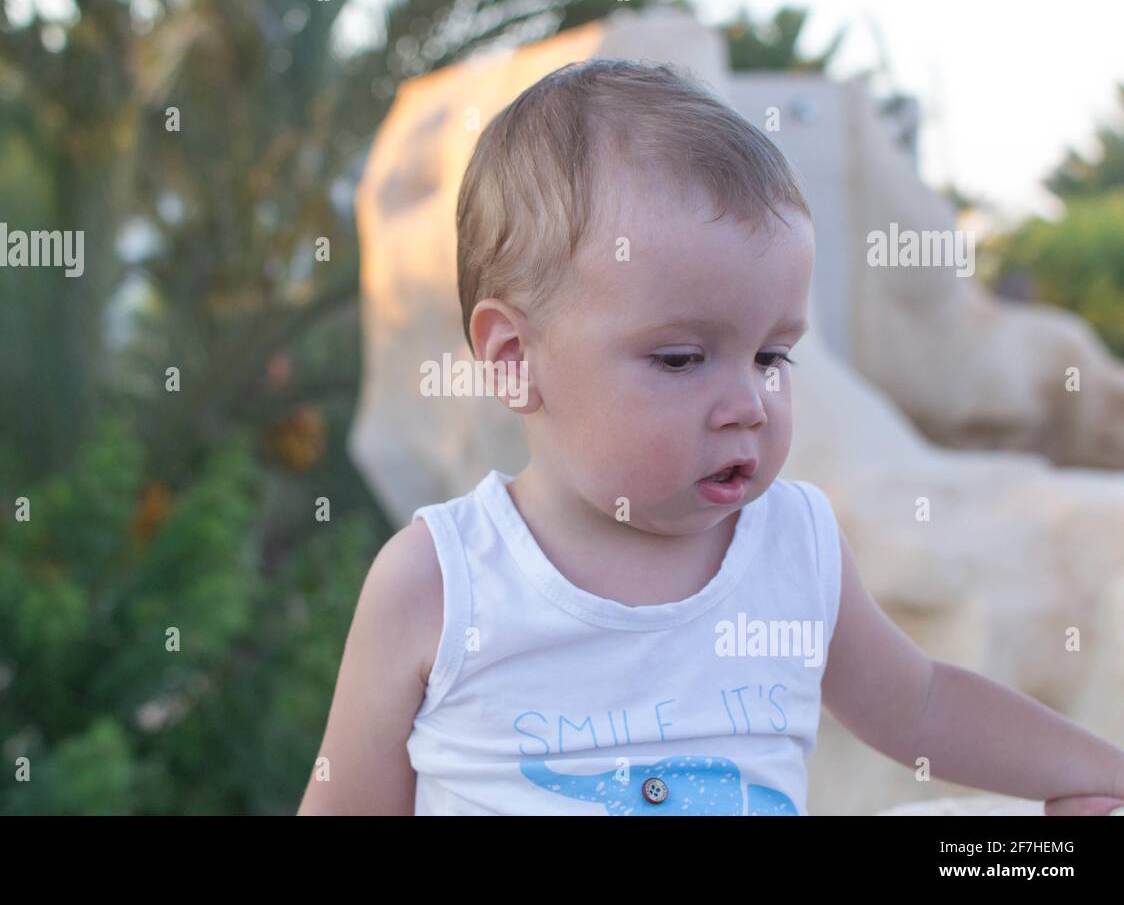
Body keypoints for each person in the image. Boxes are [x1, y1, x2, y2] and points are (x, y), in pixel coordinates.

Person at [298, 58, 1124, 815]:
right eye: (684, 358)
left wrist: (1096, 776)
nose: (750, 403)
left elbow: (921, 705)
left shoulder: (794, 549)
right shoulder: (442, 583)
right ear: (515, 363)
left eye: (772, 355)